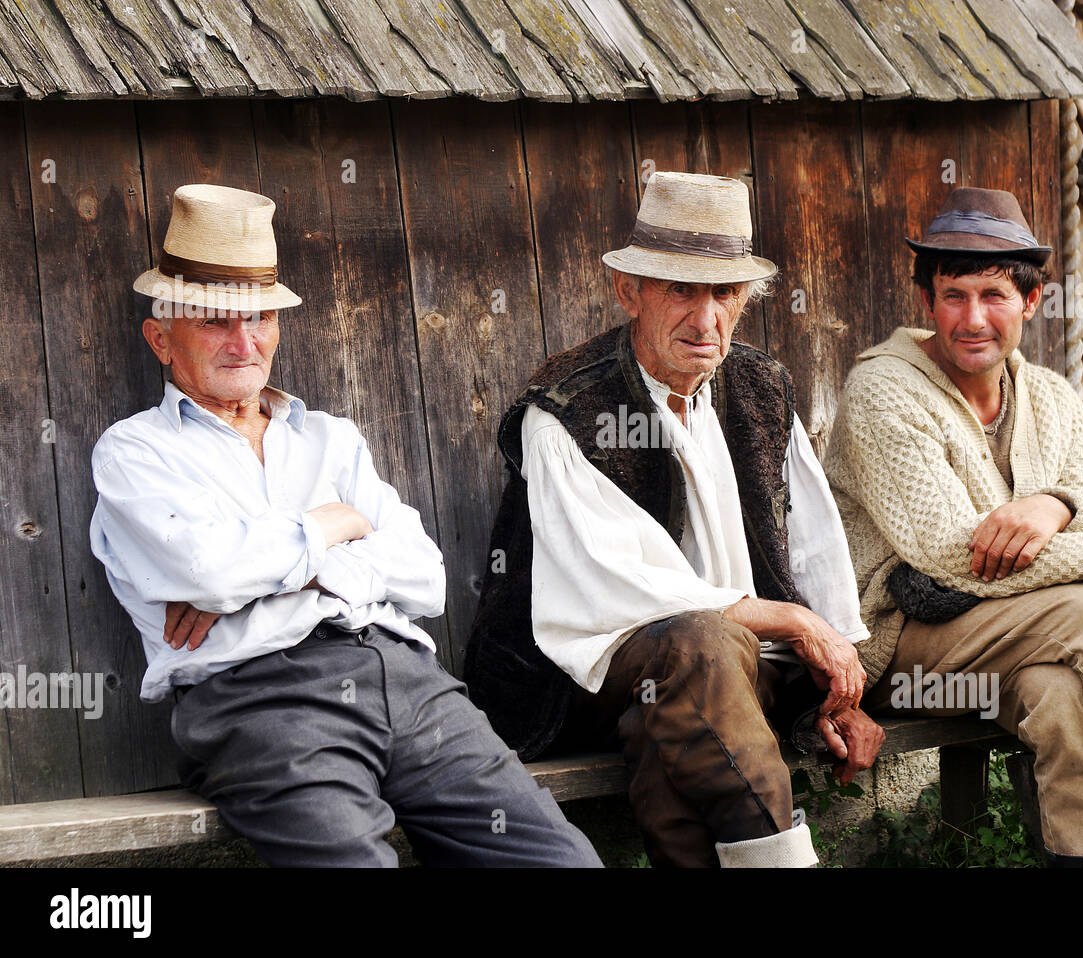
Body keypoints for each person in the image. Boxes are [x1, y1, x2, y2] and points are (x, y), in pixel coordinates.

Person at [89, 183, 600, 868]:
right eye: (214, 321)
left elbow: (425, 576)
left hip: (407, 678)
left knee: (559, 863)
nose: (244, 343)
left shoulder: (329, 438)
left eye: (261, 319)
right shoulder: (134, 452)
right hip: (262, 700)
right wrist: (336, 522)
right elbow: (209, 570)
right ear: (161, 338)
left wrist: (278, 572)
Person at [465, 171, 885, 868]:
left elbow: (811, 546)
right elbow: (623, 589)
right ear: (629, 292)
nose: (706, 318)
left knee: (672, 721)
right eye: (681, 290)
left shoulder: (760, 387)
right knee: (696, 643)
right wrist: (793, 622)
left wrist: (838, 678)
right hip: (589, 678)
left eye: (724, 293)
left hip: (731, 681)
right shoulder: (569, 407)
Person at [821, 186, 1083, 866]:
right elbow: (947, 555)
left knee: (1063, 703)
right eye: (954, 295)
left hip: (1011, 643)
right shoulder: (882, 392)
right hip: (902, 644)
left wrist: (1054, 505)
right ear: (926, 300)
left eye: (993, 295)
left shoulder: (1052, 398)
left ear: (1032, 300)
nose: (972, 318)